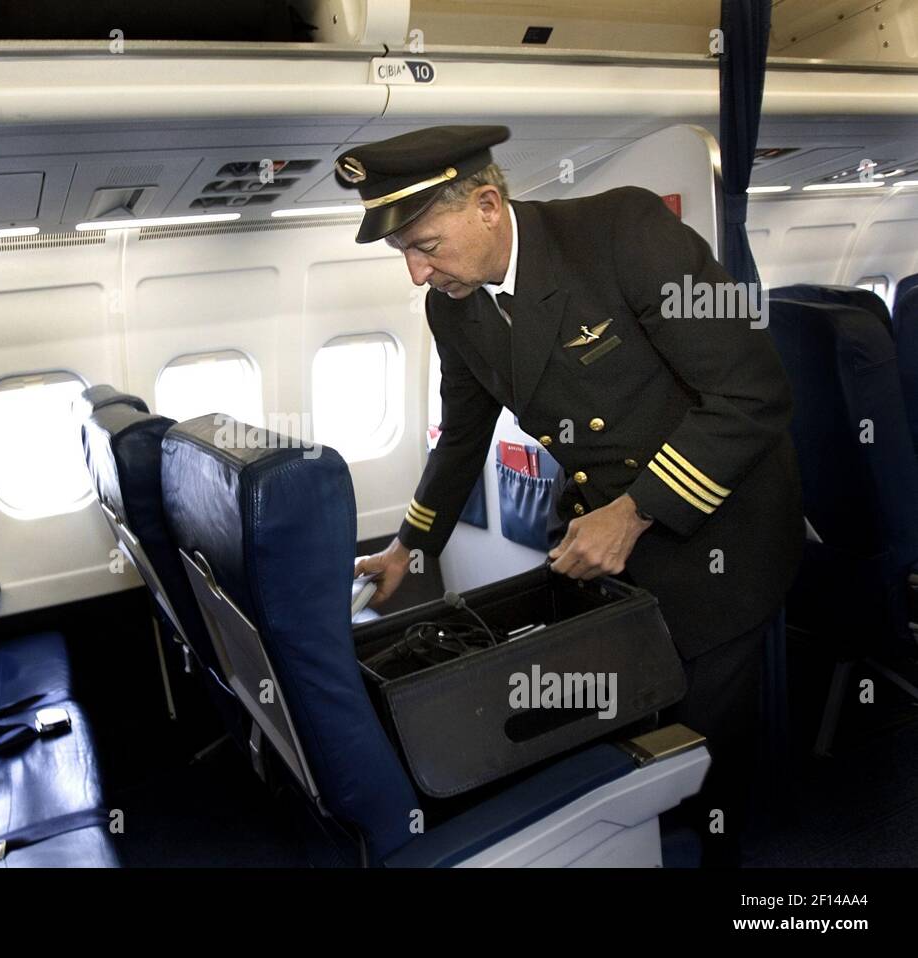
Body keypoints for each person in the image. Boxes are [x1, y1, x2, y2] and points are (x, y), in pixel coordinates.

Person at [343, 125, 803, 866]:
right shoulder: (453, 310)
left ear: (488, 204)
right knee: (625, 718)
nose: (418, 274)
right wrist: (409, 545)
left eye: (425, 244)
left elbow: (754, 393)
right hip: (606, 534)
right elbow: (462, 435)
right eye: (405, 254)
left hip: (719, 527)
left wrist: (636, 510)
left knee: (706, 742)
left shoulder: (622, 234)